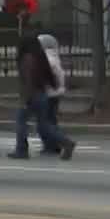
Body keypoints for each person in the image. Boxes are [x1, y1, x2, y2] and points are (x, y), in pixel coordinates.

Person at [13, 28, 75, 159]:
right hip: (42, 94)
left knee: (21, 121)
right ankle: (65, 142)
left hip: (32, 94)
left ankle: (21, 150)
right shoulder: (40, 56)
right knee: (44, 124)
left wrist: (25, 100)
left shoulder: (27, 58)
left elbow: (28, 80)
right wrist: (55, 87)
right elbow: (50, 76)